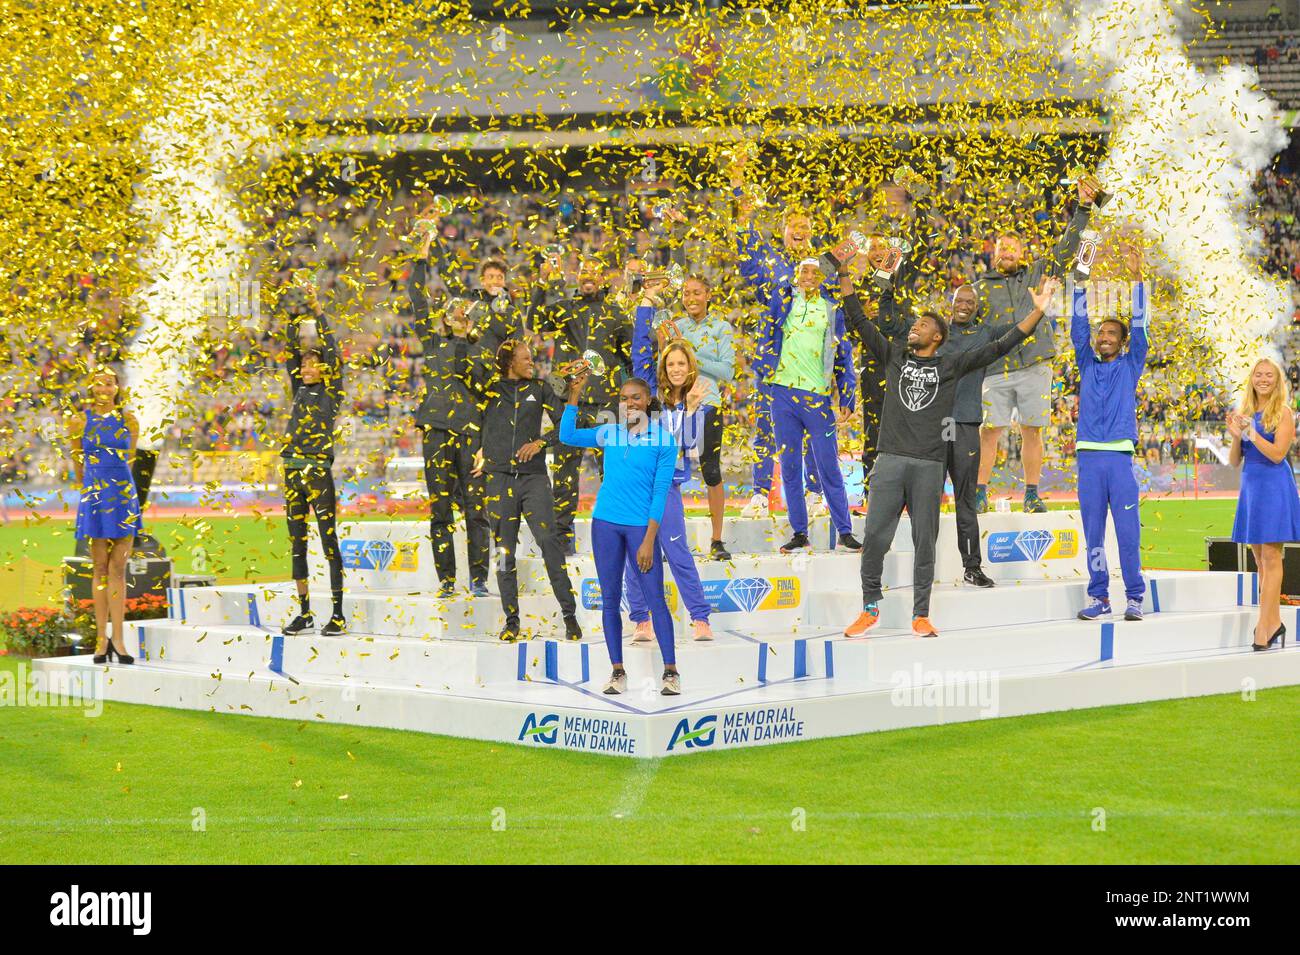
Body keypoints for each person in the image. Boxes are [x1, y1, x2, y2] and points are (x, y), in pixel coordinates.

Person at [841, 271, 1058, 638]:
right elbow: (860, 321)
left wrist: (1037, 312)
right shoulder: (894, 356)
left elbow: (1001, 345)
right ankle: (869, 607)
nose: (914, 328)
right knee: (876, 537)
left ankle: (920, 614)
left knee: (925, 541)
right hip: (890, 459)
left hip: (928, 464)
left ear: (936, 337)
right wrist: (846, 274)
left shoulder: (950, 366)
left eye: (922, 325)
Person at [977, 177, 1098, 513]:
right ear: (994, 253)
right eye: (1002, 248)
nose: (1007, 252)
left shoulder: (1039, 273)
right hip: (995, 367)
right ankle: (979, 492)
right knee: (988, 432)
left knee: (1033, 430)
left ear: (1022, 253)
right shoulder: (979, 287)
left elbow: (1068, 244)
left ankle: (1031, 494)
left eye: (1013, 248)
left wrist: (1084, 208)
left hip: (1034, 364)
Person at [559, 366, 681, 696]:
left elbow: (659, 492)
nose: (629, 404)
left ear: (648, 400)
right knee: (610, 600)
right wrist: (574, 394)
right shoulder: (609, 432)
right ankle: (617, 672)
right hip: (605, 525)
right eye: (624, 399)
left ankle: (671, 672)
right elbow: (567, 436)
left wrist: (649, 538)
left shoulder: (664, 440)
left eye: (636, 398)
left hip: (642, 529)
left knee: (656, 598)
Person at [730, 160, 825, 520]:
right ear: (782, 231)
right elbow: (745, 245)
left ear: (813, 232)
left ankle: (815, 493)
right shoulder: (769, 261)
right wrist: (740, 194)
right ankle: (758, 494)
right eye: (792, 226)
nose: (799, 230)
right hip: (773, 358)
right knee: (765, 427)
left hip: (811, 362)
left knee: (813, 428)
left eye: (805, 226)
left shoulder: (823, 268)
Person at [471, 340, 581, 643]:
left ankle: (570, 617)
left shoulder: (541, 388)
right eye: (526, 359)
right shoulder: (489, 390)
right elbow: (473, 425)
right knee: (504, 551)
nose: (532, 363)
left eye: (531, 358)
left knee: (549, 541)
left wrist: (540, 443)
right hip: (498, 481)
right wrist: (479, 453)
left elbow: (565, 425)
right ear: (509, 362)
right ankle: (511, 621)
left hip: (533, 479)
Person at [625, 284, 715, 642]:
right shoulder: (648, 396)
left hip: (669, 489)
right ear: (662, 366)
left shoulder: (698, 401)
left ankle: (700, 618)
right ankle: (640, 618)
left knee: (677, 552)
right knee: (637, 556)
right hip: (637, 486)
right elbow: (639, 352)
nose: (676, 368)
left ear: (690, 367)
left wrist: (690, 409)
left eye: (682, 363)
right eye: (671, 363)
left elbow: (690, 447)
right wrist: (646, 304)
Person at [756, 258, 861, 553]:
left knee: (828, 466)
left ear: (822, 278)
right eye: (803, 270)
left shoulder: (831, 309)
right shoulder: (782, 301)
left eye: (815, 272)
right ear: (795, 275)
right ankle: (800, 532)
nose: (808, 276)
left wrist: (848, 395)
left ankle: (844, 531)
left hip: (817, 396)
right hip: (782, 394)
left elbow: (844, 356)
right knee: (789, 468)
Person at [533, 254, 634, 556]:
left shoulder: (616, 314)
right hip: (570, 403)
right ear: (575, 277)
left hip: (606, 404)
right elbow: (534, 321)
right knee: (564, 473)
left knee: (614, 471)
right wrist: (542, 282)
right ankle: (562, 539)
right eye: (583, 271)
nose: (588, 276)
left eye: (594, 271)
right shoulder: (564, 309)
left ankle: (620, 530)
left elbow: (631, 358)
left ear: (604, 279)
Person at [409, 238, 491, 598]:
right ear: (443, 318)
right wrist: (421, 258)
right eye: (451, 311)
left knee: (476, 510)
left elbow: (491, 398)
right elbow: (415, 297)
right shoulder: (431, 343)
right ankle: (446, 580)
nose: (457, 315)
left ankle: (480, 578)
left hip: (471, 436)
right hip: (436, 433)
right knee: (440, 509)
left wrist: (486, 445)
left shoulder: (481, 348)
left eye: (463, 312)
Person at [1072, 254, 1150, 622]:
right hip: (1088, 457)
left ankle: (1134, 596)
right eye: (1101, 332)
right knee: (1094, 536)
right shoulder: (1085, 363)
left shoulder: (1131, 364)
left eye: (1111, 334)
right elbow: (1077, 326)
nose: (1104, 336)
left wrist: (1138, 283)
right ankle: (1099, 596)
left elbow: (1140, 329)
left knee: (1126, 533)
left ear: (1121, 342)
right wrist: (1080, 284)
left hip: (1119, 459)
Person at [277, 287, 347, 637]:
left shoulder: (332, 391)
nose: (305, 367)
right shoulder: (299, 388)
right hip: (291, 468)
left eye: (312, 363)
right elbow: (290, 351)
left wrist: (318, 310)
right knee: (298, 543)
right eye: (303, 364)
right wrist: (294, 312)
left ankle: (337, 613)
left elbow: (333, 351)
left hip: (318, 469)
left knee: (328, 541)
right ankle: (304, 612)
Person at [652, 274, 736, 560]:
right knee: (667, 472)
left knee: (711, 471)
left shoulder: (721, 328)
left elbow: (728, 372)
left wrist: (690, 351)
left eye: (697, 293)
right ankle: (667, 538)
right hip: (675, 407)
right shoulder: (677, 325)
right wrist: (665, 344)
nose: (690, 299)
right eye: (686, 293)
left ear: (708, 295)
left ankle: (716, 539)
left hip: (708, 406)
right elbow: (664, 366)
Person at [940, 283, 1012, 587]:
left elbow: (1018, 333)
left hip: (966, 424)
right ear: (951, 302)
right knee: (923, 499)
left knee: (966, 500)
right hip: (933, 425)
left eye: (970, 301)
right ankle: (921, 567)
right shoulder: (937, 332)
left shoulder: (985, 333)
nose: (964, 305)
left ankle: (972, 567)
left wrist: (1039, 308)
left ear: (976, 306)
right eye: (960, 300)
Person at [1228, 357, 1300, 651]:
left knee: (1272, 558)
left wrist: (1252, 433)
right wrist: (1235, 438)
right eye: (1259, 374)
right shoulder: (1243, 412)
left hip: (1274, 486)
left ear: (1277, 380)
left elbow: (1277, 455)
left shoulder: (1283, 413)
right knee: (1260, 561)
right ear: (1252, 379)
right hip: (1251, 487)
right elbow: (1234, 461)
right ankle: (1273, 622)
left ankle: (1264, 627)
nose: (1264, 379)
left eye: (1269, 375)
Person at [69, 366, 139, 664]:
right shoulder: (77, 421)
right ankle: (101, 641)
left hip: (123, 494)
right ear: (90, 387)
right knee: (99, 568)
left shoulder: (129, 420)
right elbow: (77, 466)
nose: (104, 389)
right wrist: (91, 491)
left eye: (109, 384)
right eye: (98, 384)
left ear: (117, 388)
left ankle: (119, 641)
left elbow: (131, 460)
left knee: (118, 570)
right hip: (95, 494)